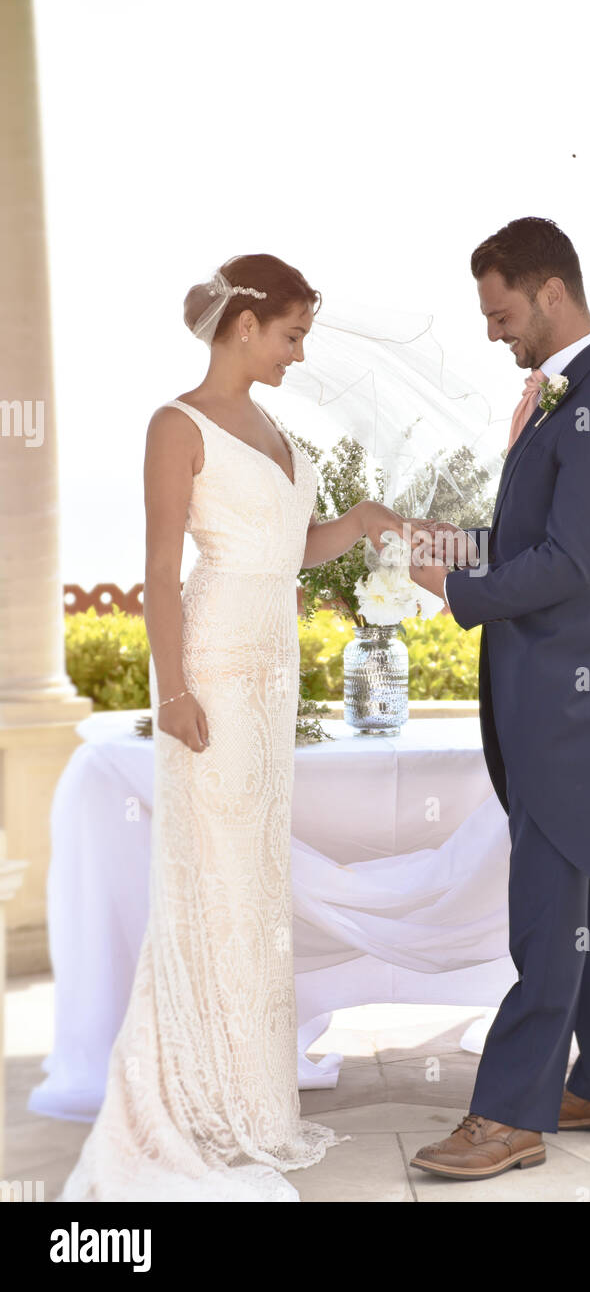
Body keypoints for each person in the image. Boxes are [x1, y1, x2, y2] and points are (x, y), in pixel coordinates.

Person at [59, 253, 410, 1202]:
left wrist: (364, 520)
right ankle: (196, 1102)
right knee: (212, 881)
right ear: (245, 323)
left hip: (274, 668)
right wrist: (172, 692)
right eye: (292, 335)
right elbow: (157, 570)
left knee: (255, 884)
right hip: (214, 663)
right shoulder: (175, 424)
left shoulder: (271, 424)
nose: (300, 355)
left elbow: (290, 549)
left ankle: (255, 1105)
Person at [409, 216, 590, 1180]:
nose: (495, 334)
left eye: (500, 315)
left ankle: (508, 1115)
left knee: (548, 910)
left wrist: (455, 591)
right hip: (576, 700)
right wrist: (450, 547)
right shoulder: (566, 401)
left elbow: (572, 564)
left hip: (575, 711)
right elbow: (537, 540)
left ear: (548, 291)